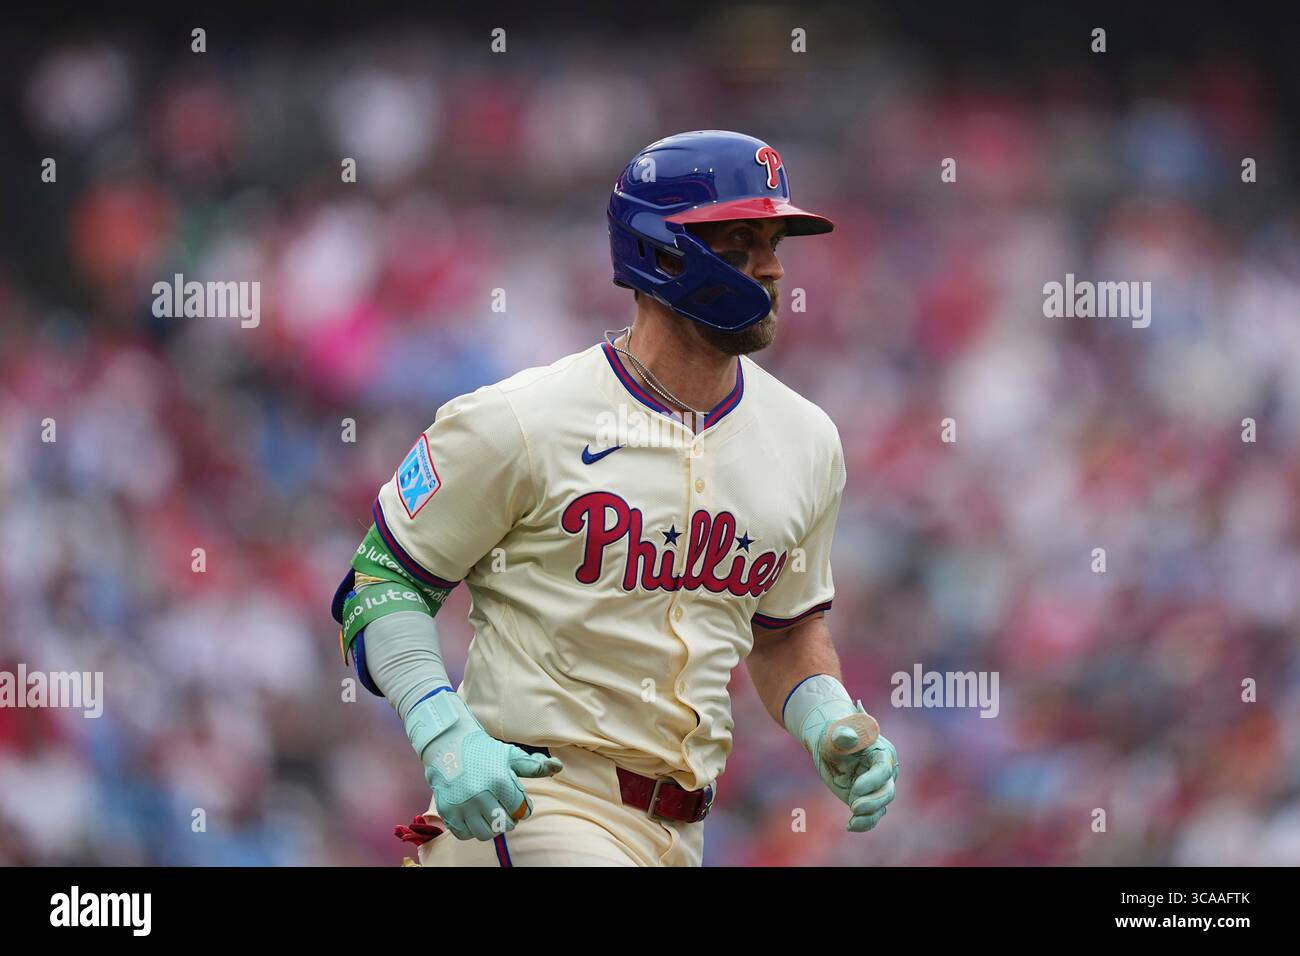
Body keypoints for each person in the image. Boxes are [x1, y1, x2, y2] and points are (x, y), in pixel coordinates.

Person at [331, 130, 899, 866]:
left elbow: (784, 630)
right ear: (660, 250)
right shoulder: (521, 420)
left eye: (776, 240)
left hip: (681, 830)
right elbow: (383, 580)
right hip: (533, 801)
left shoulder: (807, 440)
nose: (774, 267)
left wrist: (827, 717)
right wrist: (443, 731)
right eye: (740, 243)